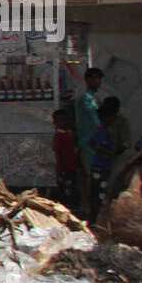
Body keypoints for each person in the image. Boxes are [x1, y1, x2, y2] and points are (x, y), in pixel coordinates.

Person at [75, 67, 104, 207]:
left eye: (98, 79)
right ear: (87, 80)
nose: (97, 81)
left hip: (95, 141)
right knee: (89, 174)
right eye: (93, 78)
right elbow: (95, 120)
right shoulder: (86, 98)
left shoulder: (95, 98)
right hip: (88, 142)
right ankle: (89, 206)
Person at [87, 107, 116, 223]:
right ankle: (95, 219)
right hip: (100, 166)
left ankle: (97, 218)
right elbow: (93, 144)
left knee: (101, 193)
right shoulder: (101, 131)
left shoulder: (106, 130)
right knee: (99, 193)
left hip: (104, 166)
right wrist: (106, 153)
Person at [52, 108, 78, 209]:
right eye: (60, 120)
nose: (64, 122)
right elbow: (57, 152)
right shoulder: (59, 135)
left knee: (72, 187)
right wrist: (61, 168)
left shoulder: (69, 133)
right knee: (65, 189)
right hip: (64, 167)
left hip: (72, 165)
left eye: (65, 120)